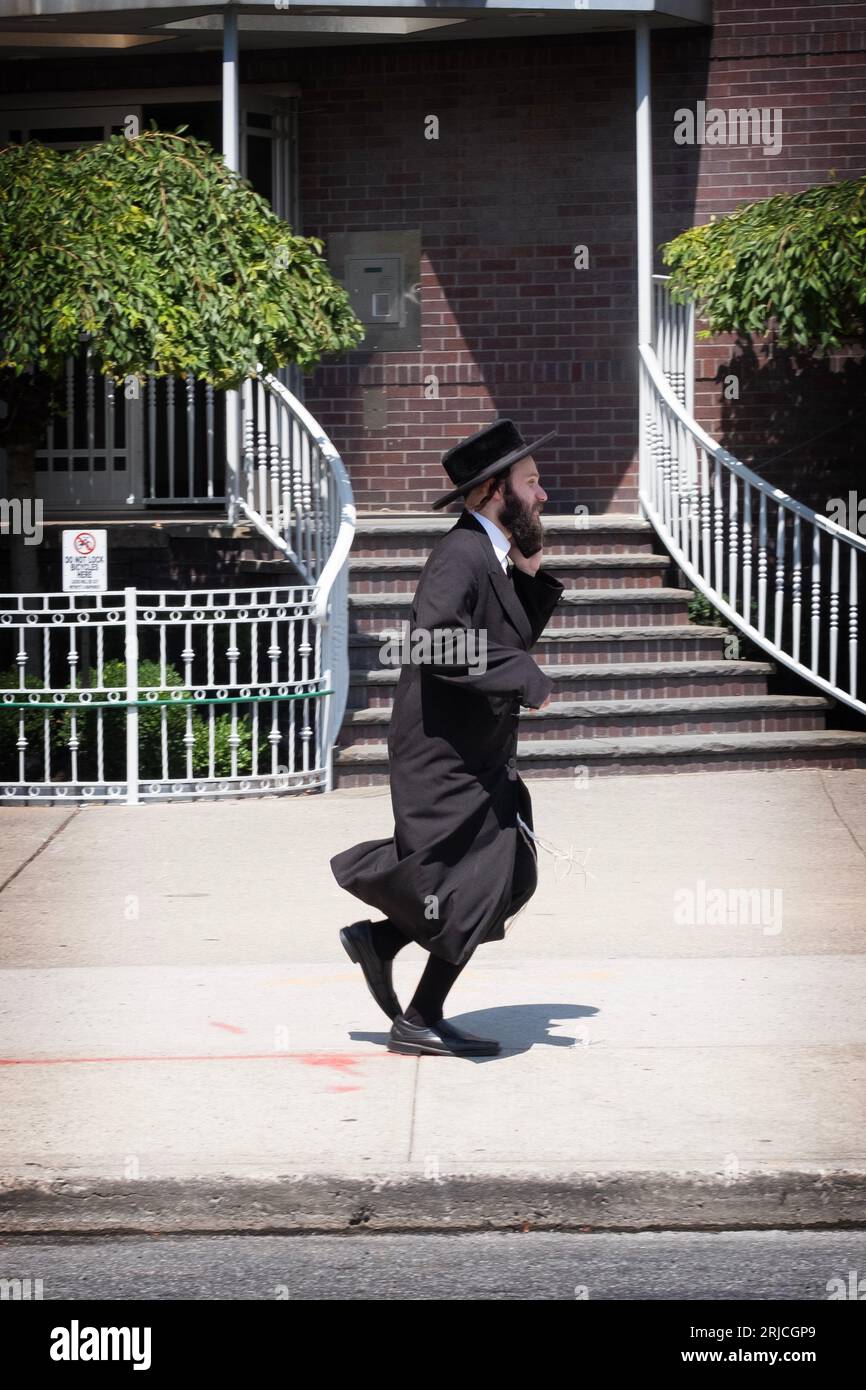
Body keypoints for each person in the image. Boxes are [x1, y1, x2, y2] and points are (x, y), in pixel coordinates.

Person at [331, 418, 564, 1057]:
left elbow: (500, 629)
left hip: (476, 752)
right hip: (443, 756)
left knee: (513, 877)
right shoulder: (458, 555)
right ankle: (418, 1015)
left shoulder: (486, 553)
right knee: (484, 879)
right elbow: (435, 641)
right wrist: (523, 676)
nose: (543, 494)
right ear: (495, 490)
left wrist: (530, 569)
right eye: (532, 482)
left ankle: (383, 944)